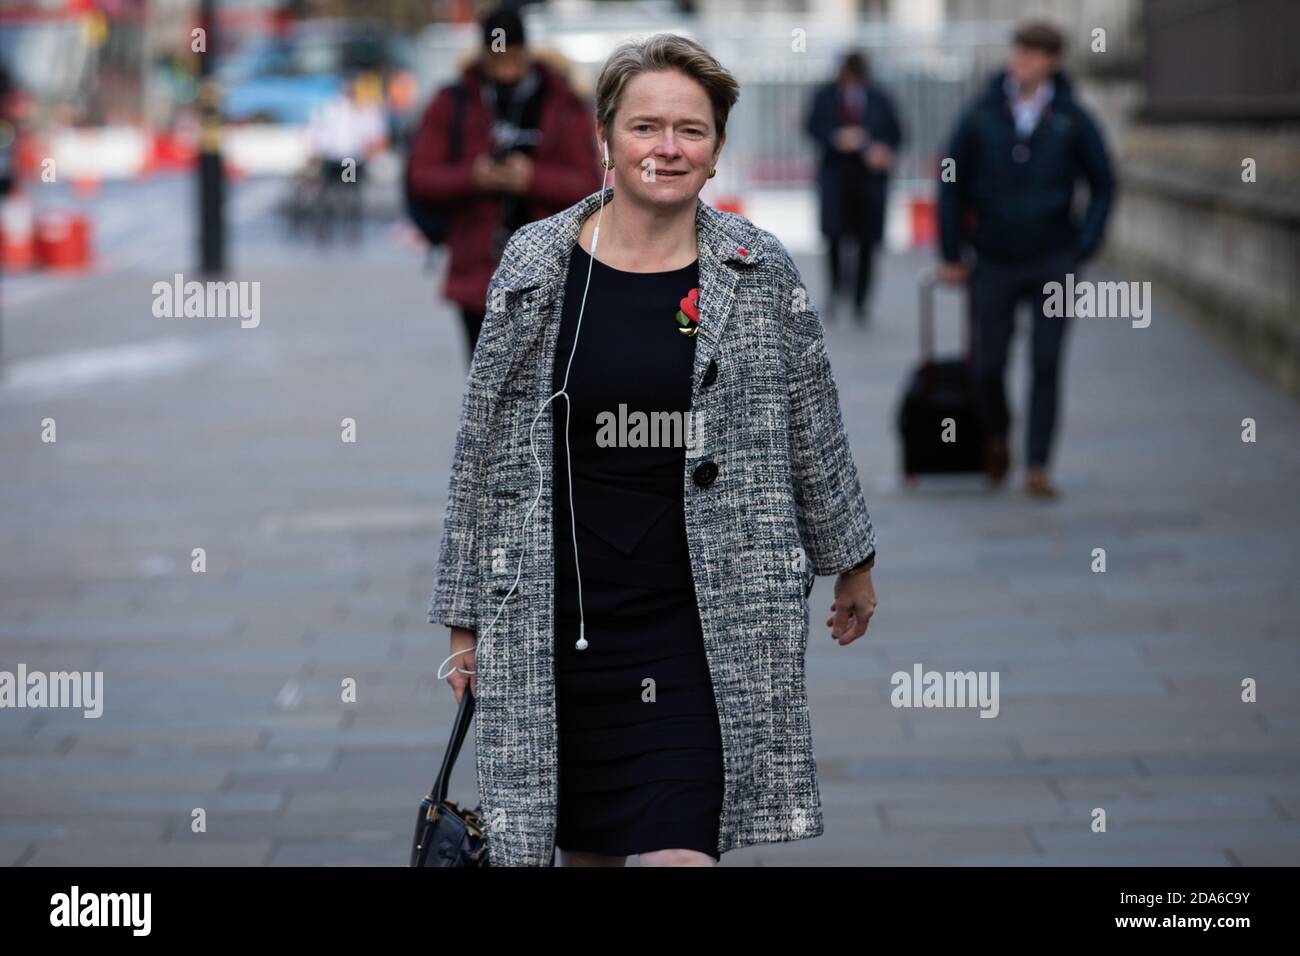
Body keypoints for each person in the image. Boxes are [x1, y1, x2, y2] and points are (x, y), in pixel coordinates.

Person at [428, 33, 880, 867]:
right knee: (587, 852)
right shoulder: (535, 262)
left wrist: (849, 558)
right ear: (606, 139)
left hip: (701, 618)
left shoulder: (757, 269)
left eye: (691, 131)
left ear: (715, 152)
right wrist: (465, 623)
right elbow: (482, 458)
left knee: (681, 850)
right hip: (564, 613)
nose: (667, 149)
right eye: (644, 127)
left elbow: (811, 420)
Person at [938, 20, 1114, 498]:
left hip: (1053, 258)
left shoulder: (1072, 117)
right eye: (1020, 51)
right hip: (992, 258)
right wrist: (951, 251)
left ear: (1052, 61)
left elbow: (1104, 183)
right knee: (988, 365)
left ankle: (1037, 465)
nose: (1023, 61)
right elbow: (950, 180)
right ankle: (997, 436)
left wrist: (1083, 246)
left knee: (1046, 360)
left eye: (1035, 54)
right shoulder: (981, 114)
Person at [406, 6, 598, 364]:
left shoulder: (564, 103)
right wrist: (474, 176)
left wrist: (531, 178)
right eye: (497, 62)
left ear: (526, 52)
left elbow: (589, 185)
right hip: (478, 273)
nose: (505, 71)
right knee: (486, 390)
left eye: (512, 59)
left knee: (548, 386)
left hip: (553, 275)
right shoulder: (454, 101)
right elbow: (421, 176)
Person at [806, 50, 902, 325]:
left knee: (867, 242)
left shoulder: (880, 98)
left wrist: (882, 150)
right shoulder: (825, 96)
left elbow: (895, 133)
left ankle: (861, 301)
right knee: (834, 238)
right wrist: (837, 138)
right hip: (836, 179)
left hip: (869, 183)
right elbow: (812, 126)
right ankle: (835, 294)